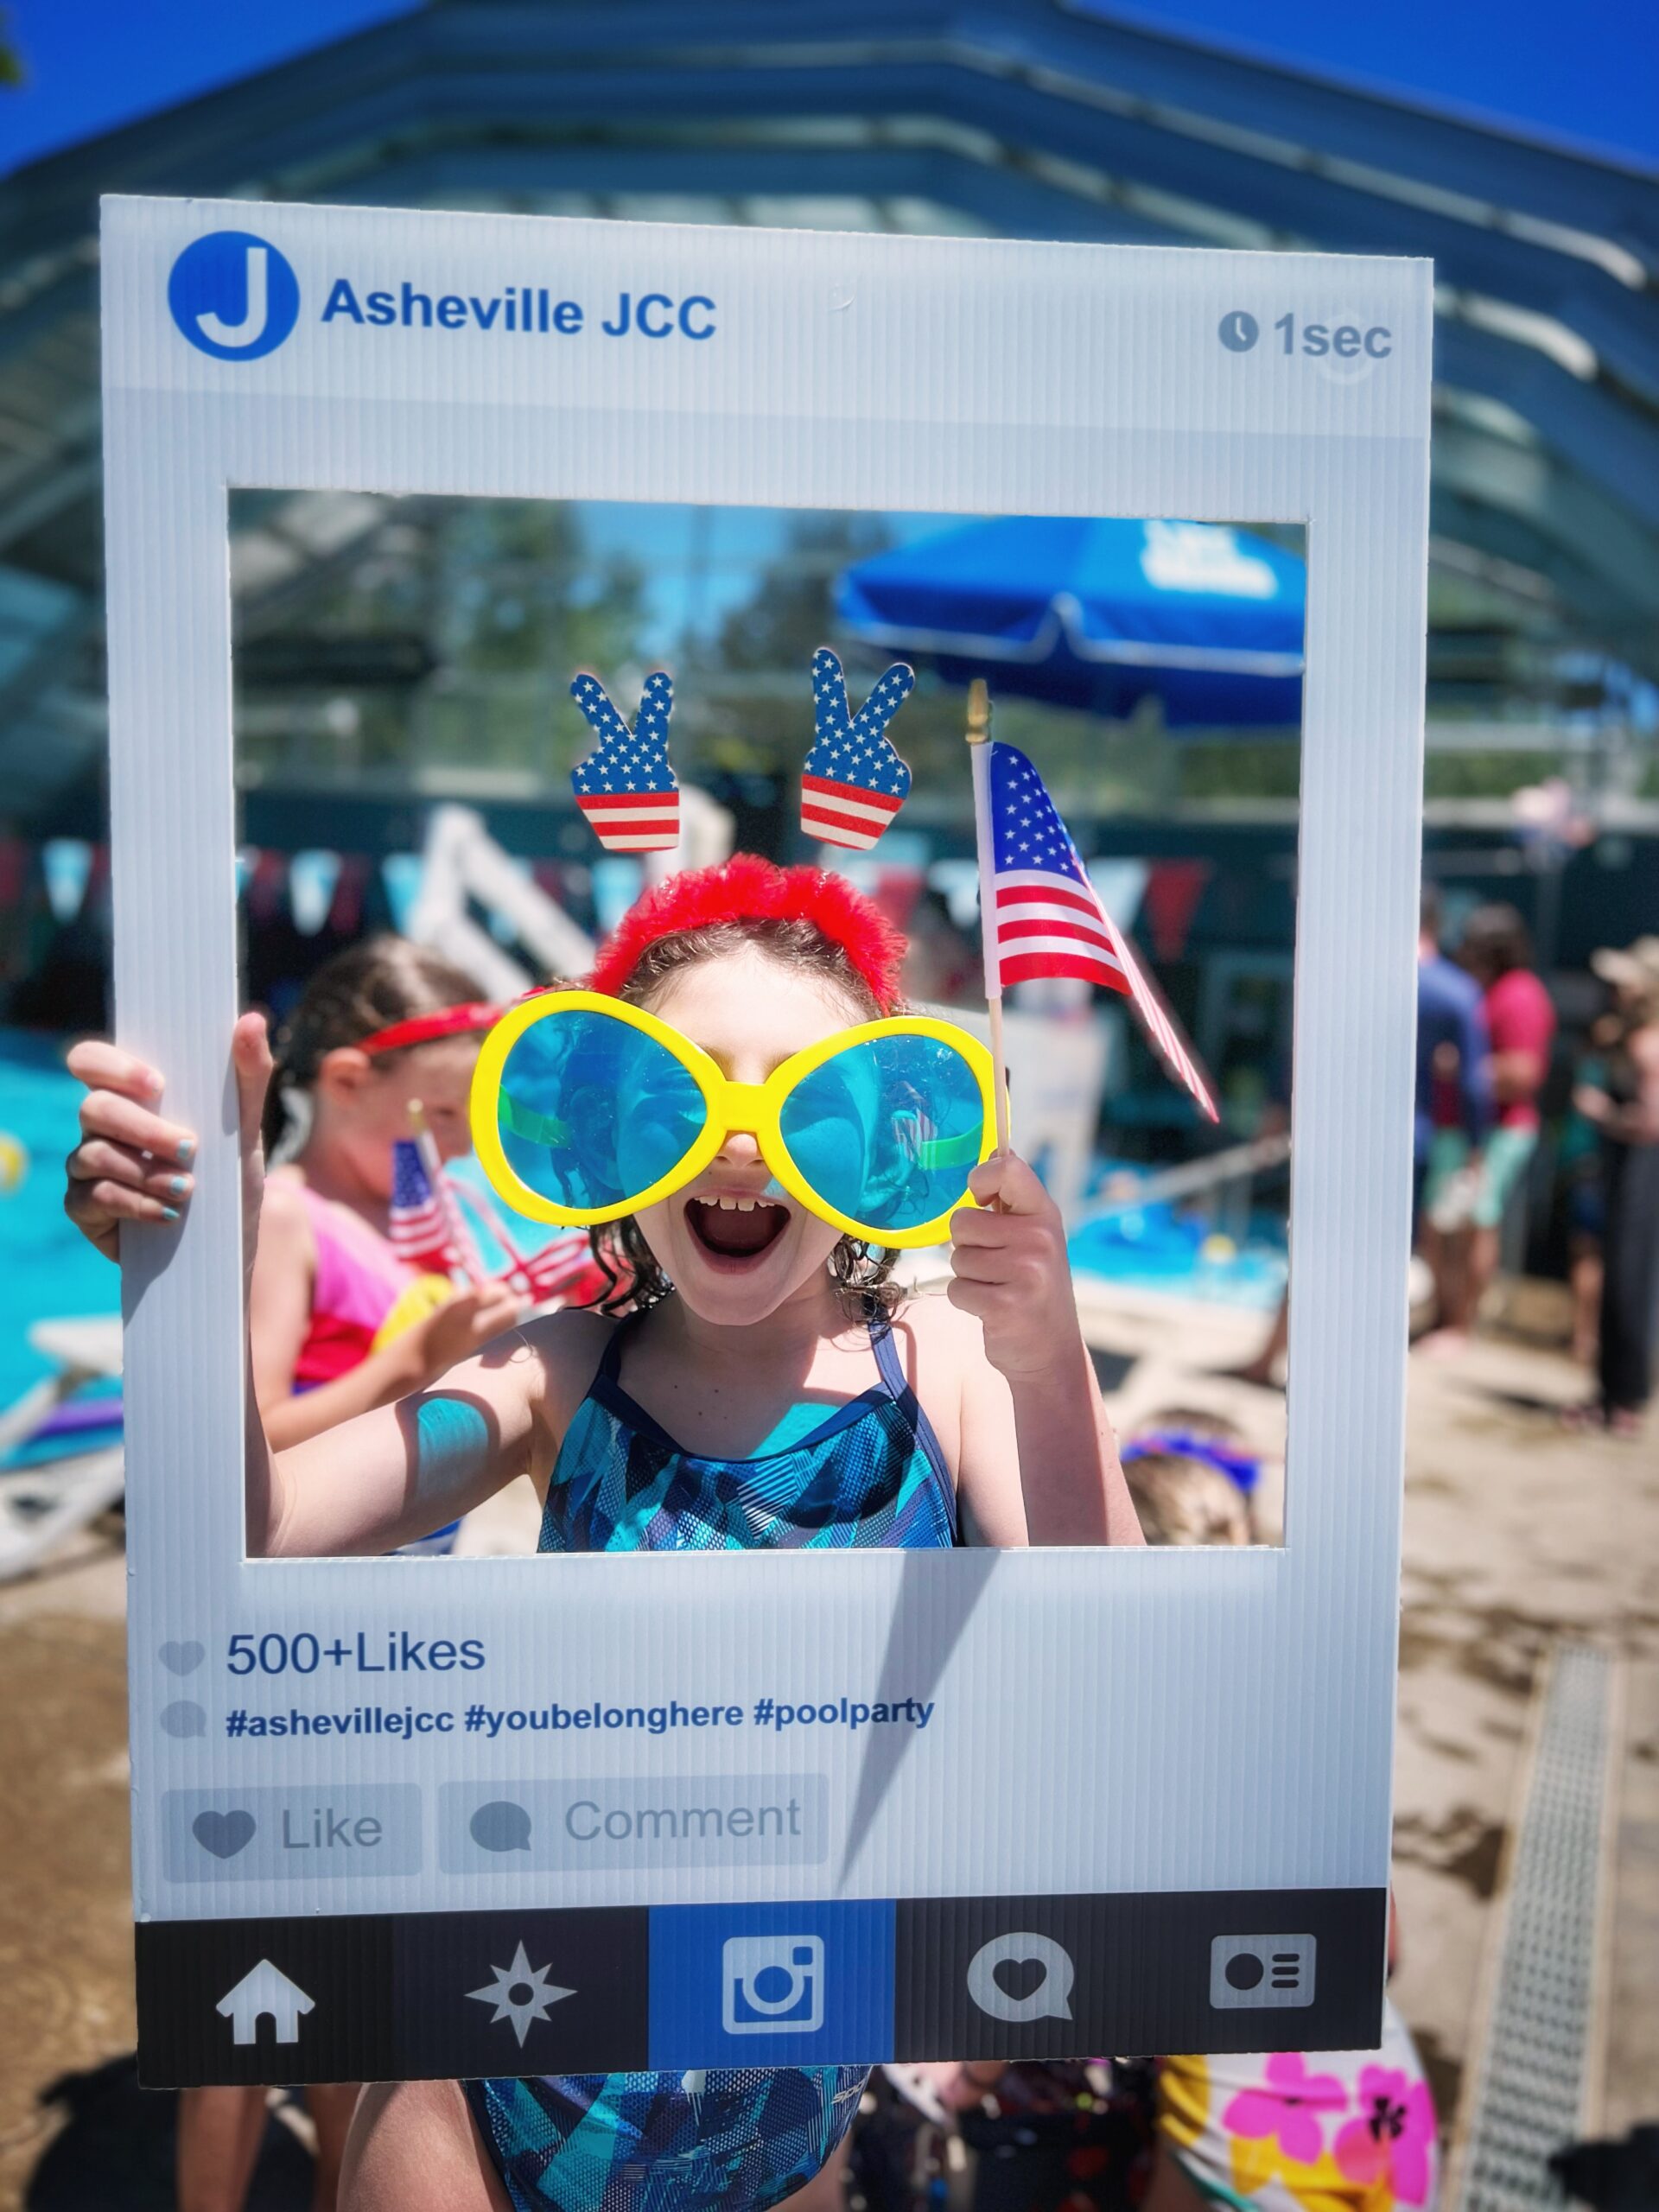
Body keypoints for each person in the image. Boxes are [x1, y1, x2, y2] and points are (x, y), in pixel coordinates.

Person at [63, 858, 1141, 2212]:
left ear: (873, 1140)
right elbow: (253, 1532)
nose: (743, 1143)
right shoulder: (559, 1375)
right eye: (687, 1091)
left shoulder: (954, 1370)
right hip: (480, 2090)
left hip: (785, 2118)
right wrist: (196, 1281)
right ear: (614, 1127)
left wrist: (1052, 1360)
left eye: (802, 1097)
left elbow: (1117, 1665)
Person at [67, 935, 514, 2212]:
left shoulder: (407, 1210)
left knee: (356, 1996)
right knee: (245, 2004)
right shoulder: (301, 1223)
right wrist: (402, 1370)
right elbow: (244, 1424)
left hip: (391, 1639)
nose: (458, 1148)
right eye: (441, 1114)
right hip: (283, 1641)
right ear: (352, 1078)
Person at [1445, 904, 1554, 1342]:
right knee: (1453, 1224)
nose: (1466, 952)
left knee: (1477, 1223)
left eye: (1474, 944)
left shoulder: (1519, 994)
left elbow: (1525, 1073)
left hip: (1502, 1128)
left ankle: (1461, 1326)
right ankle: (1448, 1317)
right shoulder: (1492, 989)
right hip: (1475, 1127)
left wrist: (1464, 1068)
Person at [1569, 938, 1659, 1437]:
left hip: (1641, 1175)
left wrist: (1601, 1111)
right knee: (1621, 1279)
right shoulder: (1630, 1037)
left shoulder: (1648, 1043)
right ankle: (1612, 1395)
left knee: (1630, 1281)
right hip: (1628, 1174)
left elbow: (1651, 1122)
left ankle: (1623, 1400)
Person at [1412, 889, 1491, 1343]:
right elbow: (1474, 1084)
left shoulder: (1359, 979)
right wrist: (1477, 1146)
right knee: (1421, 1248)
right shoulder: (1456, 992)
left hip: (1349, 1138)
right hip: (1423, 1137)